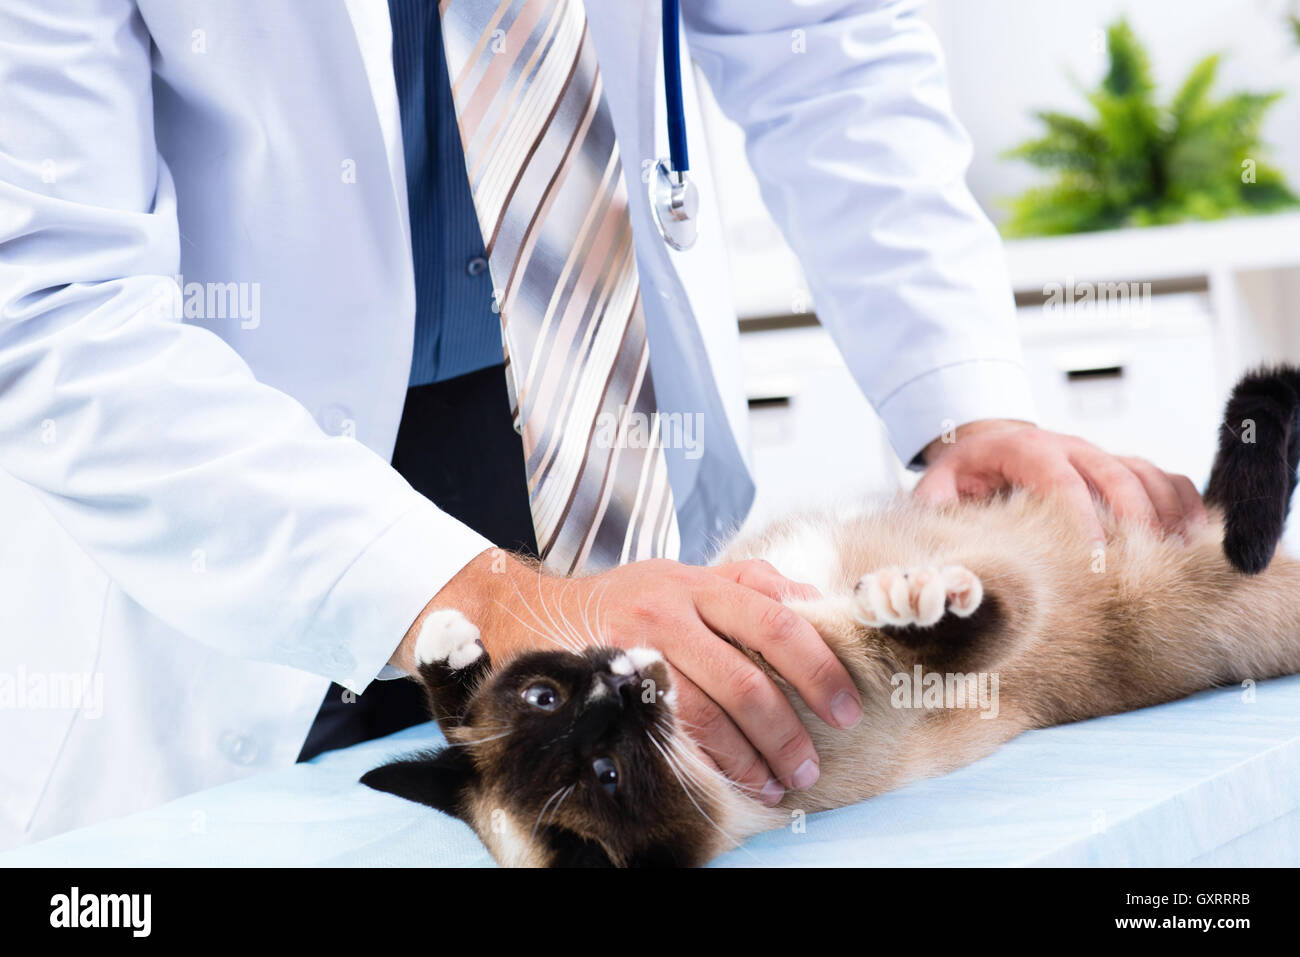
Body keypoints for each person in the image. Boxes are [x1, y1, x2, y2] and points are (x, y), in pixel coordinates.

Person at [0, 0, 1204, 849]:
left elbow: (824, 44)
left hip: (598, 452)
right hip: (232, 505)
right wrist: (491, 602)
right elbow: (47, 305)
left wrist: (960, 396)